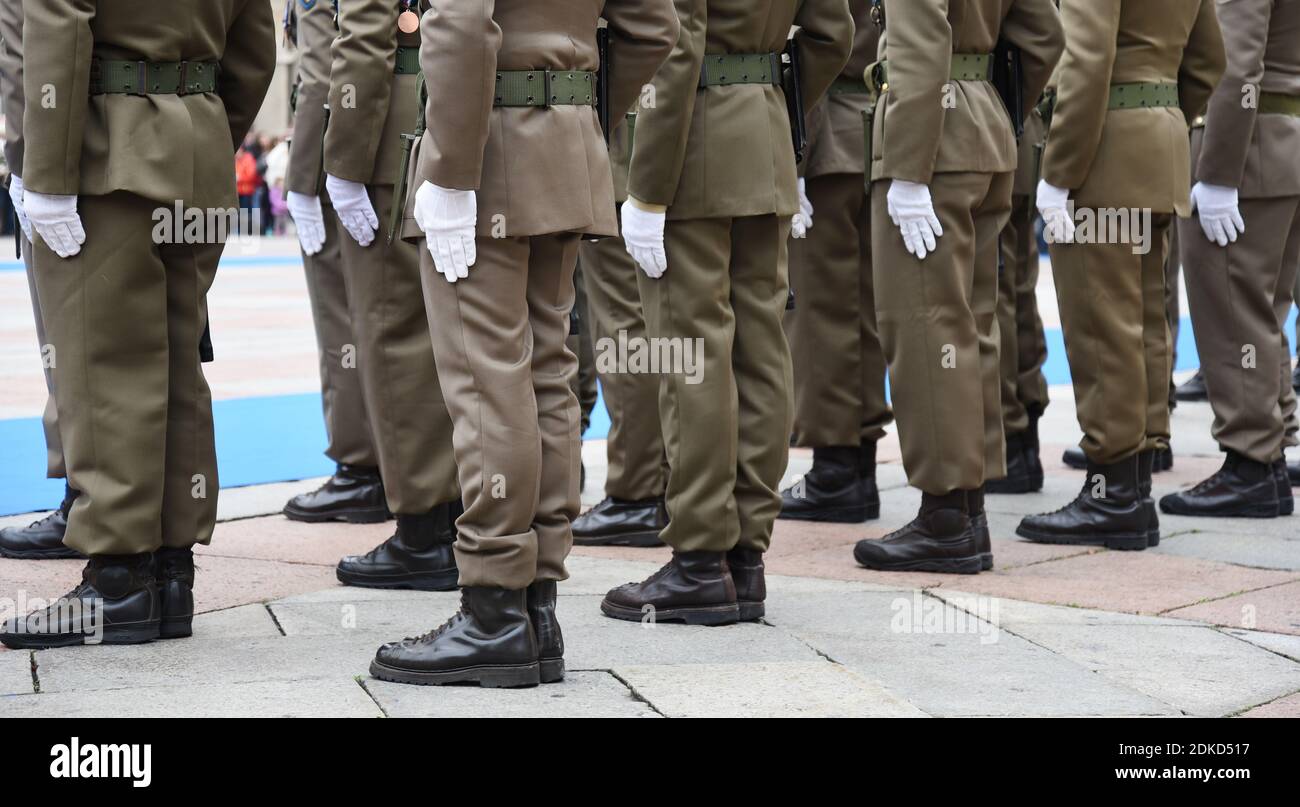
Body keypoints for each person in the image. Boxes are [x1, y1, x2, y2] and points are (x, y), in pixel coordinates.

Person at [370, 0, 678, 687]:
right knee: (545, 372)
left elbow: (459, 20)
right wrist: (571, 108)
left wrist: (448, 169)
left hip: (483, 155)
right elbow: (654, 25)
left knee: (488, 377)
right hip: (563, 149)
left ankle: (492, 610)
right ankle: (535, 604)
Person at [0, 0, 276, 649]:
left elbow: (57, 17)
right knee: (177, 359)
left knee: (105, 365)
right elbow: (255, 46)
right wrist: (203, 126)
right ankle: (170, 575)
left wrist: (43, 164)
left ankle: (121, 580)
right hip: (196, 146)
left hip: (104, 146)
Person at [605, 0, 854, 625]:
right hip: (764, 142)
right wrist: (767, 97)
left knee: (691, 352)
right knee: (759, 350)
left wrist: (648, 185)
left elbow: (673, 43)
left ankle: (698, 558)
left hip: (688, 148)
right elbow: (831, 34)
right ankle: (743, 557)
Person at [852, 0, 1063, 575]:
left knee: (925, 327)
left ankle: (946, 518)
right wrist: (994, 106)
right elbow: (1043, 35)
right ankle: (966, 509)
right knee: (971, 326)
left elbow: (919, 42)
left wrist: (908, 166)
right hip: (982, 126)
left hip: (932, 139)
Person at [1018, 0, 1224, 551]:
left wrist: (1058, 172)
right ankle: (1132, 489)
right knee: (1142, 325)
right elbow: (1207, 59)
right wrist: (1156, 117)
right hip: (1157, 147)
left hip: (1103, 154)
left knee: (1101, 328)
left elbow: (1085, 59)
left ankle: (1111, 496)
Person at [321, 0, 464, 593]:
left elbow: (363, 31)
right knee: (446, 329)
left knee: (392, 330)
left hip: (395, 123)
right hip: (455, 106)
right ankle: (463, 516)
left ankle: (426, 531)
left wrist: (344, 158)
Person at [1160, 0, 1300, 519]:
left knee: (1232, 307)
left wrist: (1217, 171)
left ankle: (1251, 463)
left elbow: (1235, 60)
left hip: (1245, 148)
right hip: (1279, 140)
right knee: (1264, 309)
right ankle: (1271, 452)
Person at [778, 3, 892, 524]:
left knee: (823, 312)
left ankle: (837, 469)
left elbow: (817, 42)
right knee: (860, 306)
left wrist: (794, 155)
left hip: (828, 131)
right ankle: (856, 463)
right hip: (875, 126)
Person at [280, 0, 388, 527]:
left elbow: (322, 74)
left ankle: (361, 467)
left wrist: (301, 177)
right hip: (387, 141)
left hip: (338, 156)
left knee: (342, 319)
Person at [0, 0, 81, 560]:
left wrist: (31, 162)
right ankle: (166, 560)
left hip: (76, 155)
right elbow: (251, 55)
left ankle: (102, 524)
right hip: (183, 149)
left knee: (79, 351)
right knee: (170, 356)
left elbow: (26, 48)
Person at [571, 120, 670, 547]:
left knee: (623, 326)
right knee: (640, 324)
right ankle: (656, 484)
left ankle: (638, 491)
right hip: (649, 153)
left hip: (622, 154)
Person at [987, 87, 1051, 495]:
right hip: (1023, 131)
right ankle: (1023, 440)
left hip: (988, 131)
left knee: (995, 297)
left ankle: (1009, 440)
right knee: (1018, 286)